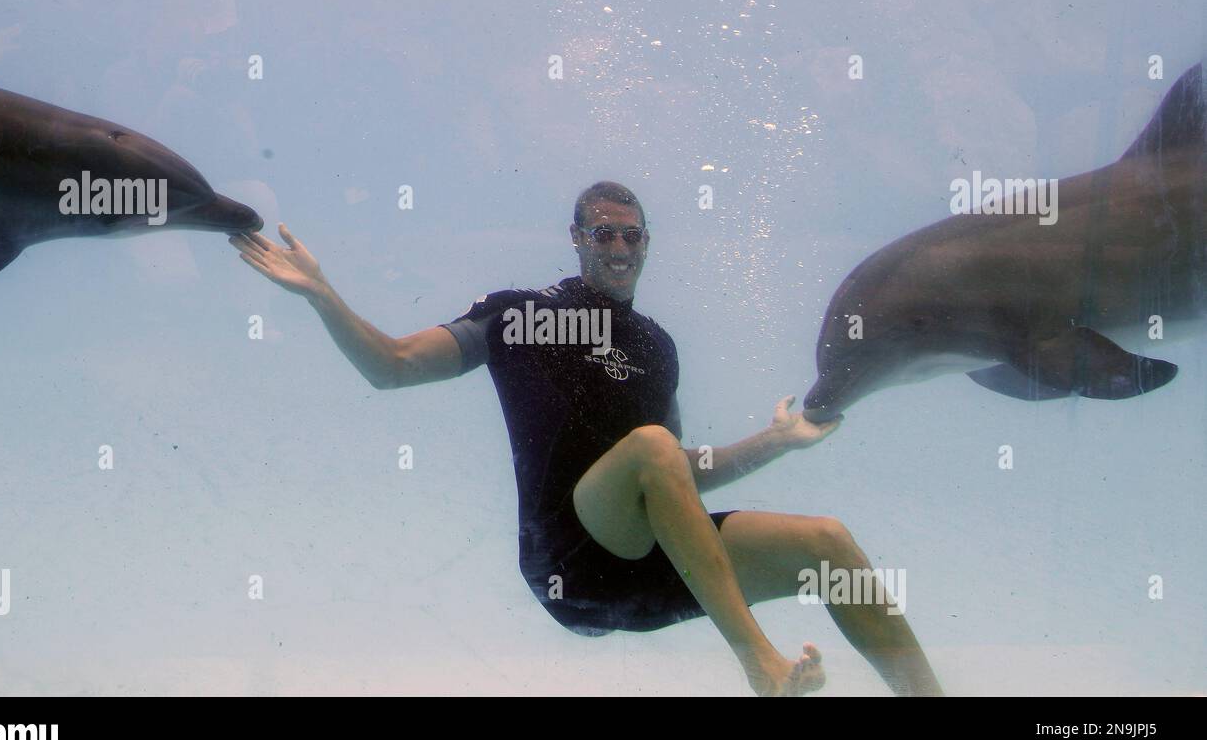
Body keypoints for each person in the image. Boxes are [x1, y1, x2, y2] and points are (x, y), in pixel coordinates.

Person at [228, 181, 943, 696]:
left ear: (648, 244)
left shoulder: (657, 347)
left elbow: (679, 481)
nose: (620, 246)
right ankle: (762, 666)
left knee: (829, 544)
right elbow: (393, 366)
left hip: (648, 571)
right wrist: (325, 297)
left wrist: (775, 440)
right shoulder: (520, 315)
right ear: (576, 239)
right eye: (604, 232)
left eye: (633, 235)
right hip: (569, 567)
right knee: (651, 448)